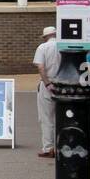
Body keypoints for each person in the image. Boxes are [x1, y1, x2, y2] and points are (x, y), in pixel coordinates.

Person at [34, 26, 61, 159]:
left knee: (46, 118)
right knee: (60, 117)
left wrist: (47, 83)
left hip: (48, 85)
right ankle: (61, 146)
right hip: (63, 85)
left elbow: (40, 67)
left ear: (46, 37)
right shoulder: (63, 46)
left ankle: (48, 148)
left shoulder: (42, 48)